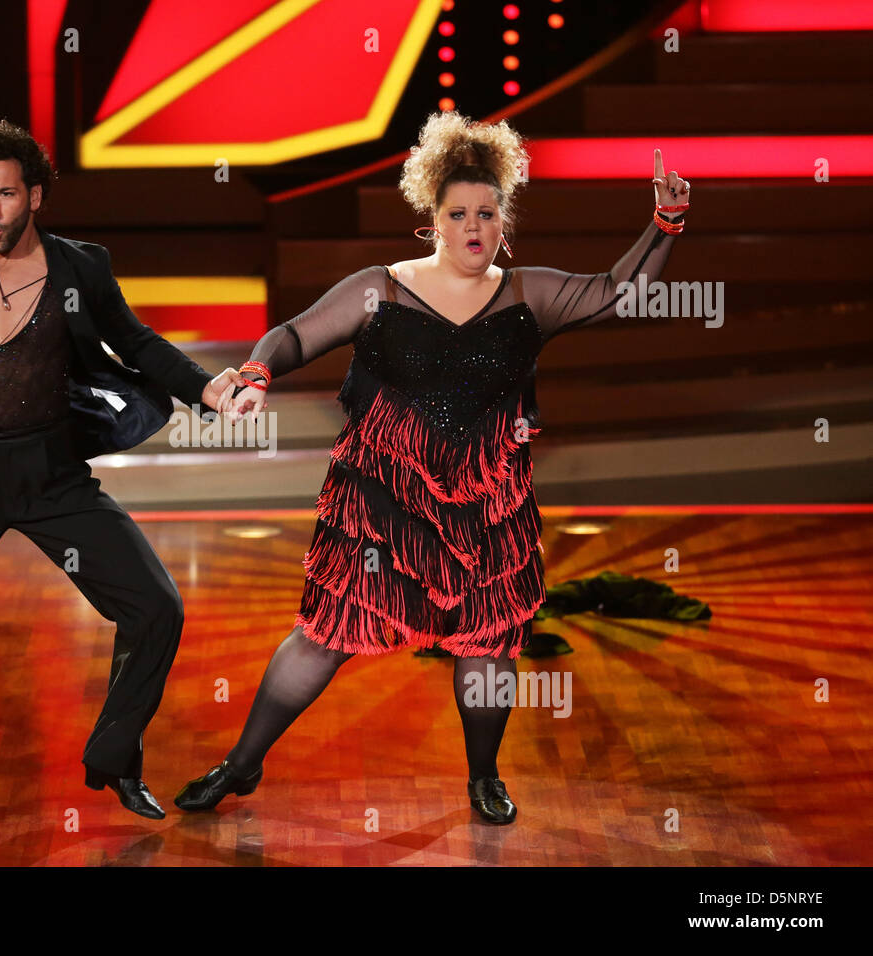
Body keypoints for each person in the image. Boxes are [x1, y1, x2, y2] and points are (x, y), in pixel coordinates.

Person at [175, 111, 690, 823]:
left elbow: (614, 291)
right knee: (324, 635)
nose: (474, 226)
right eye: (459, 213)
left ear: (502, 219)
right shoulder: (379, 289)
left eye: (487, 212)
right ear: (433, 220)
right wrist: (259, 371)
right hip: (381, 496)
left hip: (485, 505)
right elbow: (296, 334)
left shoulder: (526, 293)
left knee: (488, 644)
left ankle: (484, 776)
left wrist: (664, 223)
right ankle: (241, 764)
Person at [0, 32, 246, 822]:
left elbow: (135, 342)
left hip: (51, 477)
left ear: (36, 195)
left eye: (7, 194)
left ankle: (114, 757)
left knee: (156, 608)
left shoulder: (79, 269)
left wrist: (209, 389)